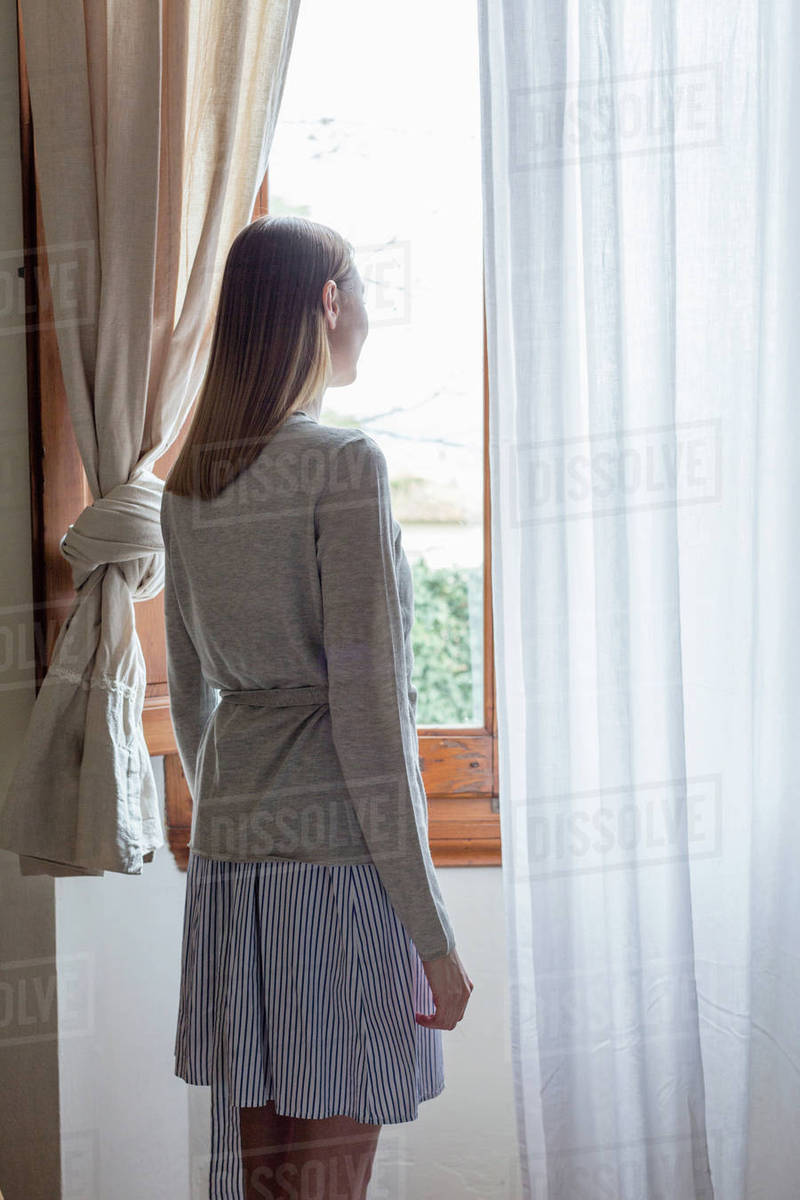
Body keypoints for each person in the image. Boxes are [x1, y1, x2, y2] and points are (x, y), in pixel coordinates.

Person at [162, 214, 474, 1200]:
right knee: (327, 1187)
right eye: (363, 297)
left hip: (230, 867)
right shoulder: (343, 465)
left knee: (258, 1182)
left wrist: (237, 818)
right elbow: (371, 718)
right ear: (328, 302)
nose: (368, 320)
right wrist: (434, 939)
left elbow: (191, 700)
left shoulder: (187, 485)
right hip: (333, 866)